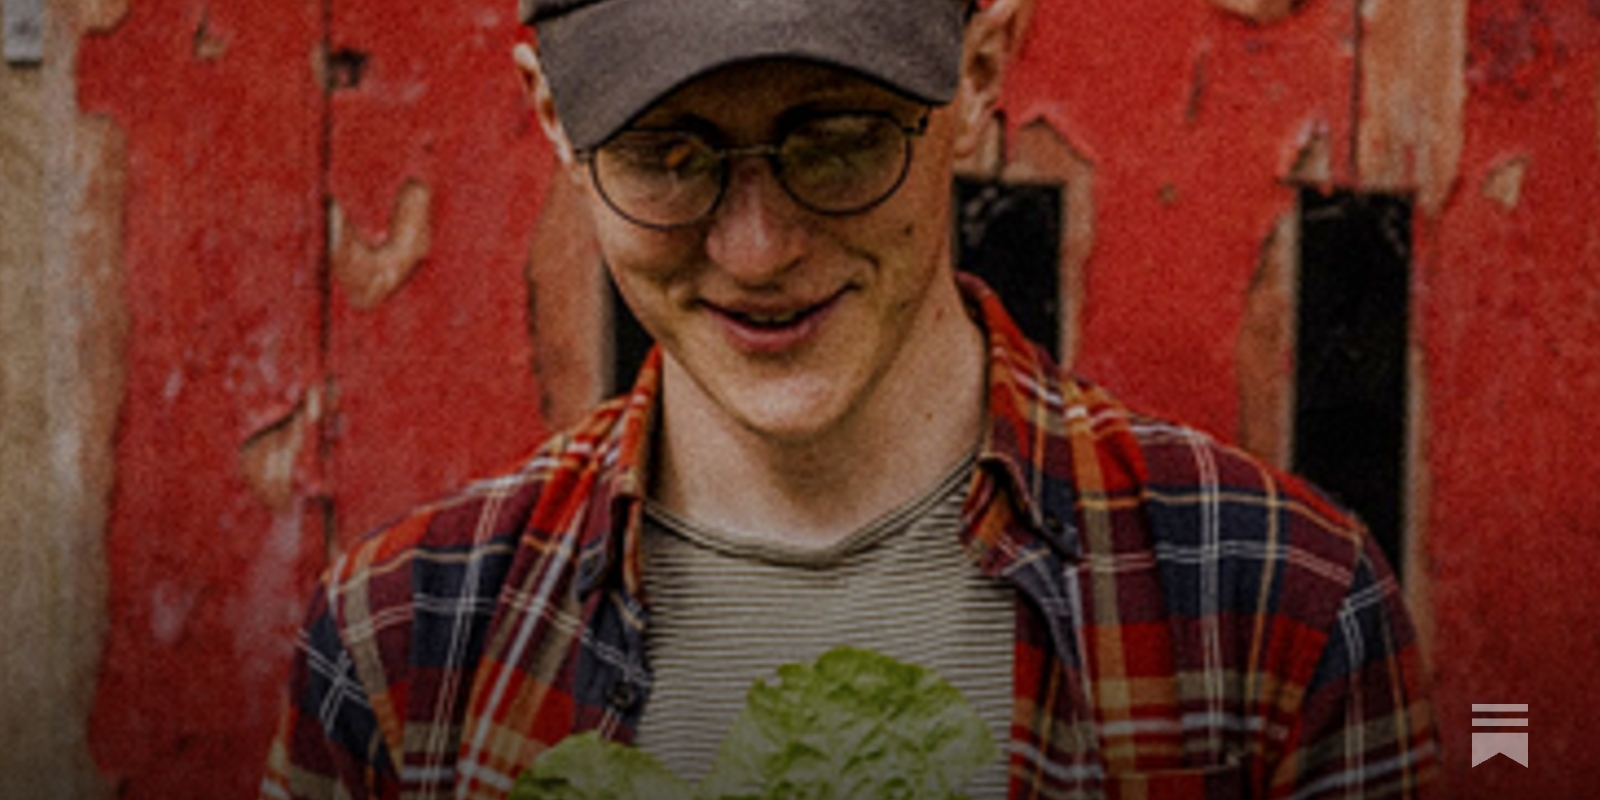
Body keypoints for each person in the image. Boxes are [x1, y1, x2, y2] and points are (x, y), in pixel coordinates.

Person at [261, 0, 1438, 797]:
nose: (757, 249)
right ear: (556, 118)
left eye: (835, 139)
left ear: (978, 70)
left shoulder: (1278, 610)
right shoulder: (397, 646)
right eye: (668, 153)